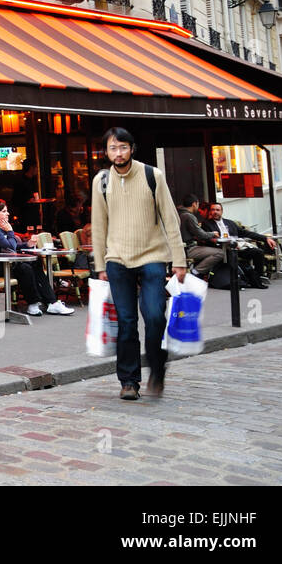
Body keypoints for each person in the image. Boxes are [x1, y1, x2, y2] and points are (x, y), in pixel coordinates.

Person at [90, 127, 186, 401]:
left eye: (122, 147)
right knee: (127, 322)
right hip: (117, 260)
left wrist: (179, 260)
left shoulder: (151, 175)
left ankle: (157, 367)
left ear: (132, 148)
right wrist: (100, 266)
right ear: (106, 152)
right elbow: (99, 226)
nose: (118, 153)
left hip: (153, 256)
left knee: (155, 316)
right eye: (112, 148)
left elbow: (170, 219)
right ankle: (129, 381)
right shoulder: (102, 181)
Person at [0, 199, 74, 318]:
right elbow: (10, 246)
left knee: (36, 262)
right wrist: (10, 231)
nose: (7, 214)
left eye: (7, 211)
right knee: (25, 268)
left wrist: (27, 244)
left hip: (8, 263)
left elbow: (12, 247)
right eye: (4, 211)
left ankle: (52, 302)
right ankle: (33, 303)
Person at [202, 202, 274, 287]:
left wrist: (265, 238)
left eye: (217, 210)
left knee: (258, 252)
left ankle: (258, 277)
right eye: (213, 210)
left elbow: (245, 233)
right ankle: (250, 280)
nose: (215, 212)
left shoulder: (230, 223)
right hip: (222, 249)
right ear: (210, 212)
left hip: (237, 247)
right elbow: (207, 238)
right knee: (237, 260)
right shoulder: (206, 224)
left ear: (222, 211)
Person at [178, 194, 226, 278]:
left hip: (180, 248)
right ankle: (195, 272)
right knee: (220, 253)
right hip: (188, 249)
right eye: (198, 205)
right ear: (194, 204)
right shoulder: (188, 216)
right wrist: (213, 233)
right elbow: (201, 235)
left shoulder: (179, 213)